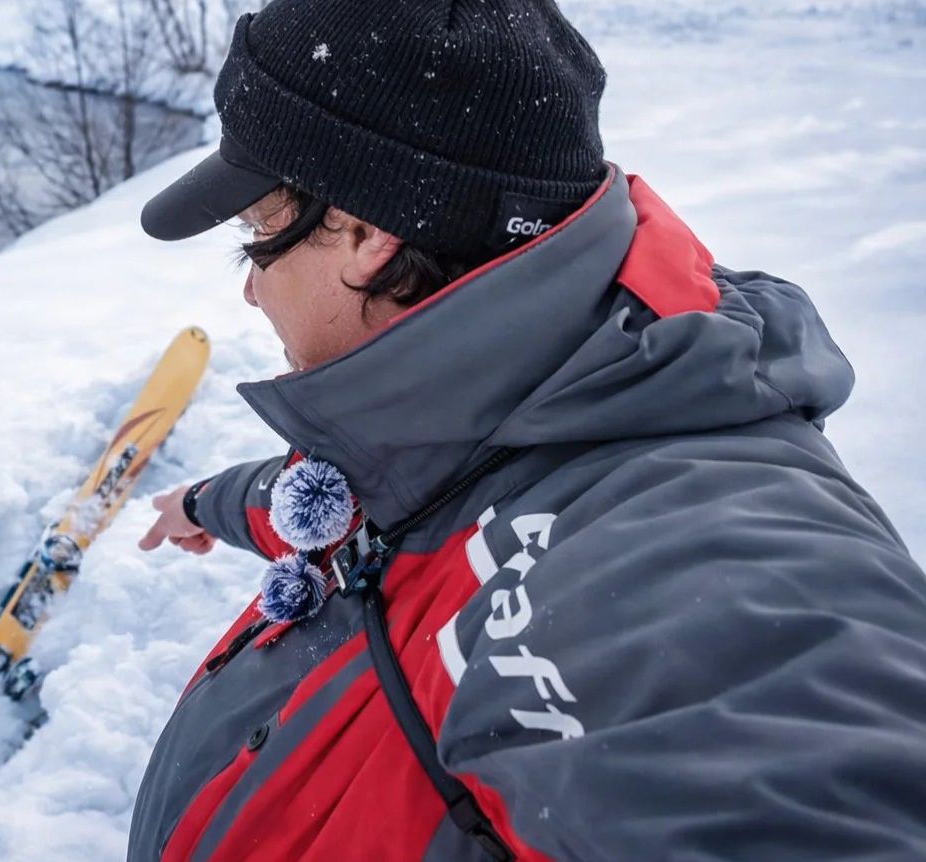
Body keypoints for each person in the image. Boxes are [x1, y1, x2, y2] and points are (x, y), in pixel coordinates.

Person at [127, 1, 926, 860]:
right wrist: (209, 503)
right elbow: (383, 497)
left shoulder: (682, 553)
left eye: (257, 235)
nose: (251, 289)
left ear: (365, 236)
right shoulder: (483, 393)